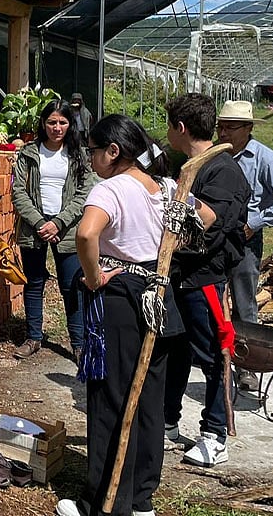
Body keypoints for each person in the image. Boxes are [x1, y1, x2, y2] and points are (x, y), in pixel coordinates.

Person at [56, 114, 216, 516]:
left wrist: (93, 277)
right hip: (159, 297)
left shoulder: (110, 189)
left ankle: (107, 501)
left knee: (111, 398)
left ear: (113, 151)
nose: (90, 158)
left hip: (123, 302)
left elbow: (86, 234)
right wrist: (170, 239)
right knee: (148, 398)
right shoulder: (163, 186)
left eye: (93, 150)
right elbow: (208, 217)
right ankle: (142, 496)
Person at [161, 94, 250, 468]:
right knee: (175, 351)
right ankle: (167, 421)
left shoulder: (222, 171)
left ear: (181, 127)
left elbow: (207, 228)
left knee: (215, 356)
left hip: (205, 281)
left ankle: (215, 434)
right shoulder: (191, 166)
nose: (167, 133)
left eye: (169, 126)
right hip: (180, 278)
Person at [215, 100, 273, 391]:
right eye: (221, 126)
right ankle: (214, 357)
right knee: (210, 299)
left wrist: (255, 221)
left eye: (230, 127)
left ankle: (245, 366)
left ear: (248, 129)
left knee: (243, 303)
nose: (223, 132)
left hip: (244, 241)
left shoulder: (266, 160)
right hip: (213, 239)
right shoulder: (214, 155)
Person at [11, 99, 95, 363]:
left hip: (67, 227)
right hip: (35, 226)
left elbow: (84, 192)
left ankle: (78, 343)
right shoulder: (28, 153)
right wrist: (39, 222)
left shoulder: (79, 154)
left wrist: (59, 222)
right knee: (34, 282)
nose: (57, 128)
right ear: (43, 124)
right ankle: (33, 337)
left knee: (71, 286)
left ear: (70, 125)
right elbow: (18, 192)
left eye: (62, 122)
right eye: (51, 122)